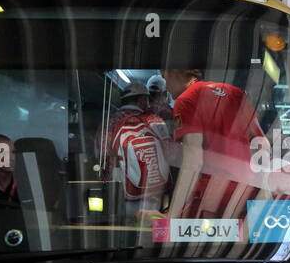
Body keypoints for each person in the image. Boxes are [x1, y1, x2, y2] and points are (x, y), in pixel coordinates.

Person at [162, 68, 266, 220]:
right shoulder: (235, 93)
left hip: (211, 197)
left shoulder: (186, 100)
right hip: (245, 193)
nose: (166, 87)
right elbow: (262, 144)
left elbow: (193, 161)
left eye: (164, 79)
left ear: (174, 72)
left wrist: (173, 214)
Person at [106, 83, 171, 217]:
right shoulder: (154, 119)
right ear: (142, 100)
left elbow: (102, 153)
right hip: (153, 192)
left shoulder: (109, 121)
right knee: (148, 229)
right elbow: (170, 151)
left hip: (121, 191)